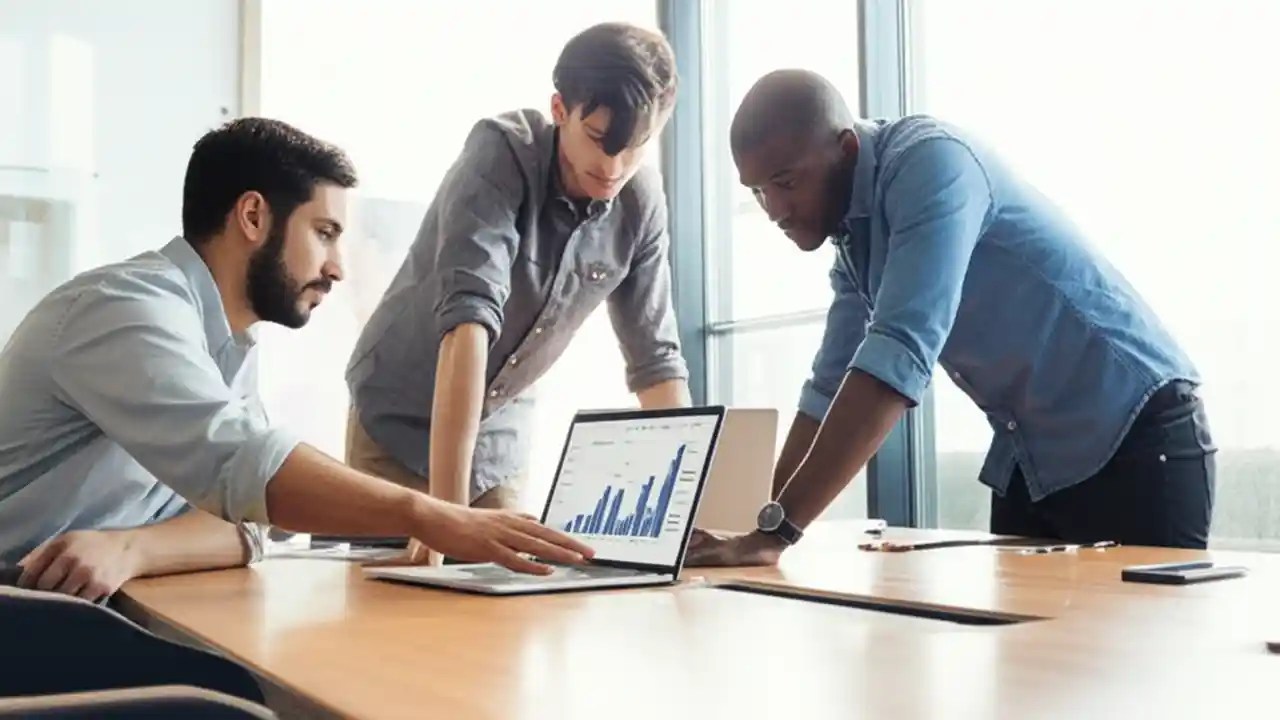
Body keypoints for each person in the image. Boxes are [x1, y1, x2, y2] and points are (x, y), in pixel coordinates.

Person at [0, 117, 593, 602]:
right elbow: (254, 471)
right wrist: (434, 515)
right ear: (253, 217)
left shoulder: (224, 344)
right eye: (325, 232)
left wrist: (131, 547)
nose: (338, 267)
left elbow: (246, 522)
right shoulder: (126, 311)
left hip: (61, 605)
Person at [686, 69, 1214, 565]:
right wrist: (760, 529)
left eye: (785, 182)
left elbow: (899, 353)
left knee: (1143, 657)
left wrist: (775, 535)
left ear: (845, 148)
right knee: (1035, 660)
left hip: (1138, 434)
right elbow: (828, 388)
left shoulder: (931, 164)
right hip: (1033, 458)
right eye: (757, 191)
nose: (773, 208)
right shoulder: (854, 235)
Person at [344, 21, 691, 547]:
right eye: (599, 140)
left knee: (500, 604)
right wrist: (446, 521)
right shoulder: (500, 153)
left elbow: (656, 362)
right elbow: (468, 322)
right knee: (395, 607)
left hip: (497, 434)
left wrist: (684, 518)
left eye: (637, 147)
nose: (614, 166)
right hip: (399, 411)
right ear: (559, 110)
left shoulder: (640, 201)